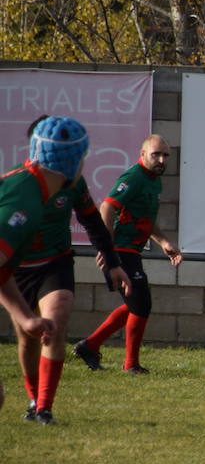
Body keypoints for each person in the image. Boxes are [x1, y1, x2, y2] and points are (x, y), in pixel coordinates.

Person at [11, 116, 130, 423]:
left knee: (55, 319)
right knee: (27, 337)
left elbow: (92, 221)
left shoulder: (73, 185)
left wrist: (113, 263)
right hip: (19, 269)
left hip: (55, 261)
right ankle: (33, 397)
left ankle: (44, 407)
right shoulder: (21, 191)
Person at [0, 117, 92, 414]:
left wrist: (26, 318)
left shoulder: (30, 188)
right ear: (74, 163)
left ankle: (41, 406)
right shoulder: (26, 204)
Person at [73, 134, 182, 374]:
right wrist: (107, 247)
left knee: (137, 304)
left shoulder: (154, 180)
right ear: (142, 155)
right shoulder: (134, 177)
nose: (162, 159)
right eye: (156, 154)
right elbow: (108, 206)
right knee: (141, 304)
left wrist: (164, 241)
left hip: (131, 250)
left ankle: (89, 345)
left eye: (166, 155)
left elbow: (145, 219)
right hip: (120, 251)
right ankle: (130, 364)